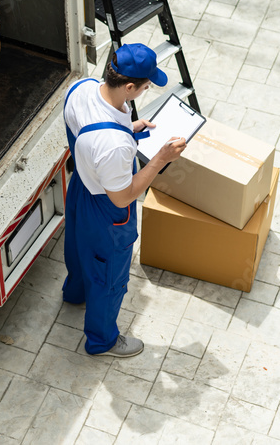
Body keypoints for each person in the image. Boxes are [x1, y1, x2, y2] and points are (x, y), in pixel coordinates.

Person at [62, 43, 187, 357]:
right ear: (130, 87)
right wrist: (159, 159)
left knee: (79, 250)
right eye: (146, 86)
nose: (147, 89)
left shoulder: (82, 89)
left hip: (81, 187)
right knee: (109, 278)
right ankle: (102, 341)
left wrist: (130, 129)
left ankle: (75, 293)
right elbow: (123, 197)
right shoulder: (115, 147)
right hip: (107, 210)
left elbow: (92, 139)